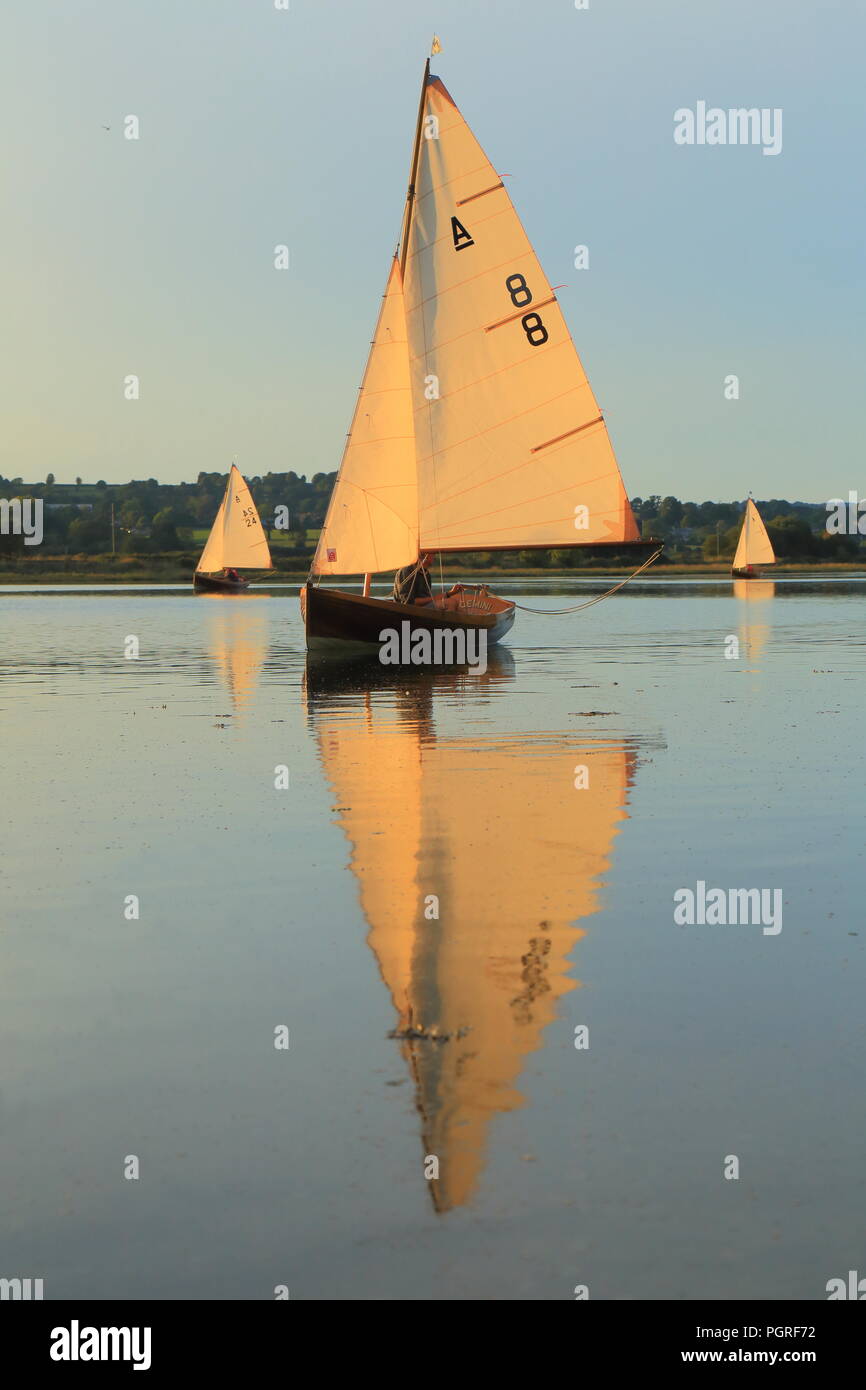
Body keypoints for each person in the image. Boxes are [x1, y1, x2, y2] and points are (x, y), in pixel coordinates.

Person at [392, 553, 464, 610]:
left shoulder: (426, 574)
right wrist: (438, 597)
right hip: (408, 611)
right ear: (425, 555)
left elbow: (427, 599)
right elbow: (408, 602)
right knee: (450, 603)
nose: (434, 557)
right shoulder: (407, 571)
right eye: (433, 554)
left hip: (423, 609)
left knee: (458, 606)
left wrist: (449, 594)